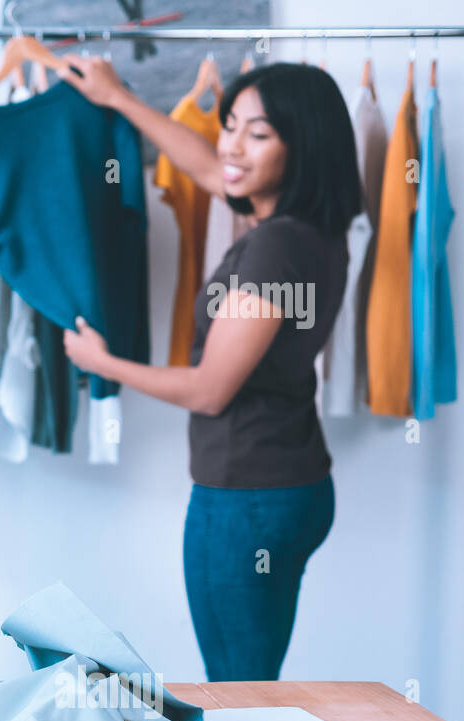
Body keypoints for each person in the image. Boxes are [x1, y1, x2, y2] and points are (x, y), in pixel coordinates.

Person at [56, 57, 361, 681]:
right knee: (252, 684)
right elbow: (204, 165)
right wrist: (117, 97)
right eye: (231, 126)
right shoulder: (310, 227)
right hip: (288, 483)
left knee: (242, 693)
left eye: (259, 133)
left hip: (247, 498)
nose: (232, 145)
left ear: (302, 145)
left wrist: (103, 362)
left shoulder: (275, 245)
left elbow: (210, 390)